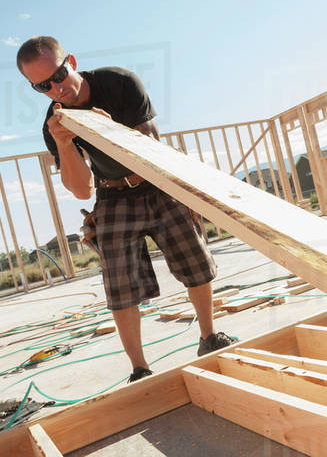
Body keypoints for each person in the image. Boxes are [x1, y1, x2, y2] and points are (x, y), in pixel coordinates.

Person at [17, 36, 236, 382]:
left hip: (157, 182)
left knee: (195, 262)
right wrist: (64, 144)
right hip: (113, 194)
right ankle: (139, 368)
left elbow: (149, 150)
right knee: (120, 287)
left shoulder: (119, 83)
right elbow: (80, 189)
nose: (56, 89)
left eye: (59, 75)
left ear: (71, 60)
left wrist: (110, 131)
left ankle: (208, 337)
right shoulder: (54, 123)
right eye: (43, 85)